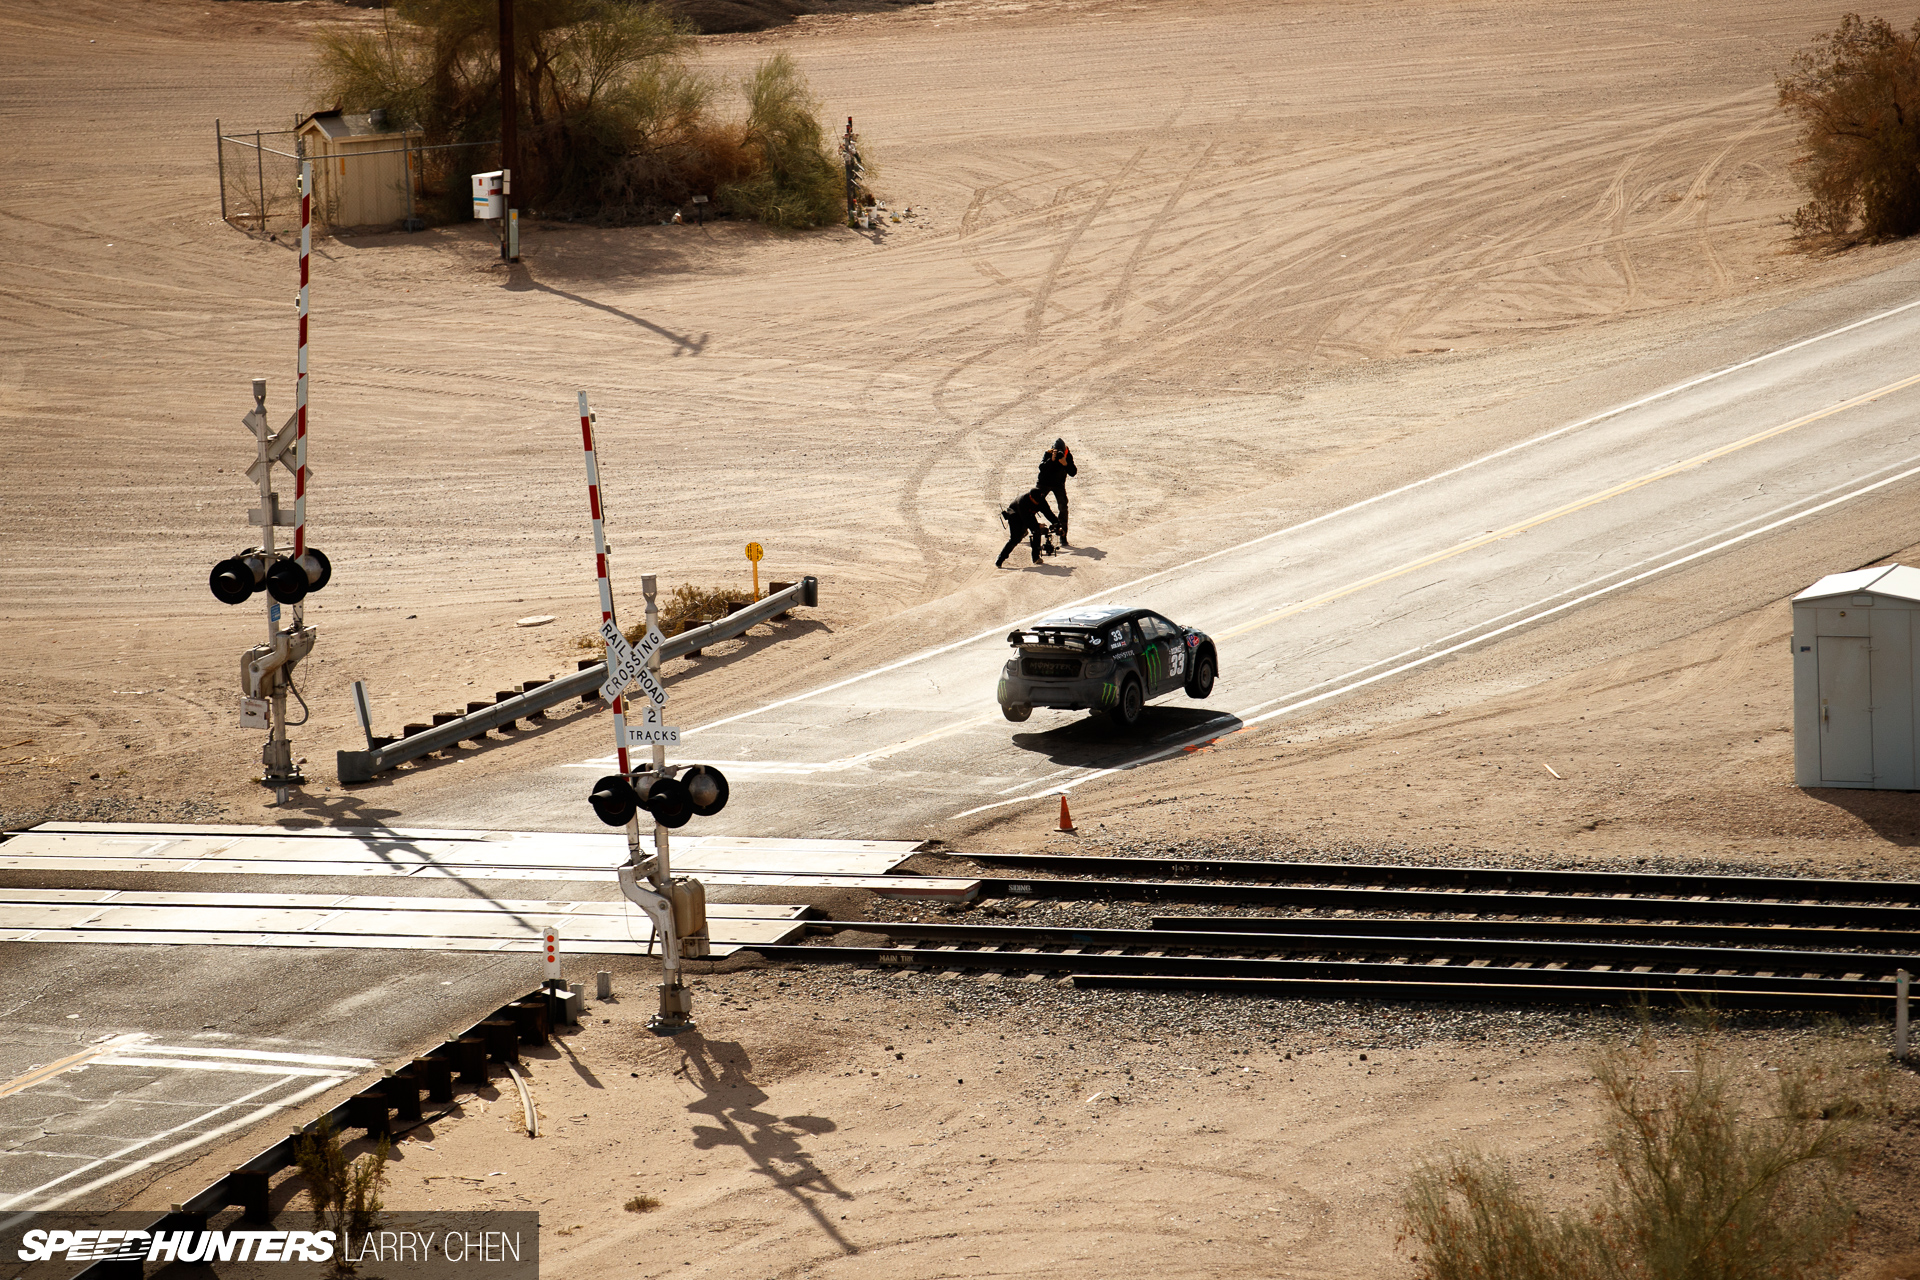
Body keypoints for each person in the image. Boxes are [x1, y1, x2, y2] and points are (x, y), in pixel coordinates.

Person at [996, 488, 1062, 568]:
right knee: (1015, 539)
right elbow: (1026, 519)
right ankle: (1000, 558)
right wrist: (1037, 525)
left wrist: (1057, 524)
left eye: (1039, 500)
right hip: (1015, 515)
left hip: (1029, 514)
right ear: (1030, 497)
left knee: (1036, 531)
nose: (1037, 502)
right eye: (1036, 501)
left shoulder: (1041, 500)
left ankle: (1036, 557)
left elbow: (1048, 513)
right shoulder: (1022, 501)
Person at [1035, 438, 1077, 547]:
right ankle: (1024, 528)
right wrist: (1051, 460)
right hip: (1044, 483)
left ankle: (1063, 535)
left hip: (1058, 484)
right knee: (1033, 503)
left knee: (1063, 508)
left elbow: (1073, 472)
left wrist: (1066, 464)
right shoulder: (1048, 453)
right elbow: (1041, 468)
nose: (1058, 453)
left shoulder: (1067, 455)